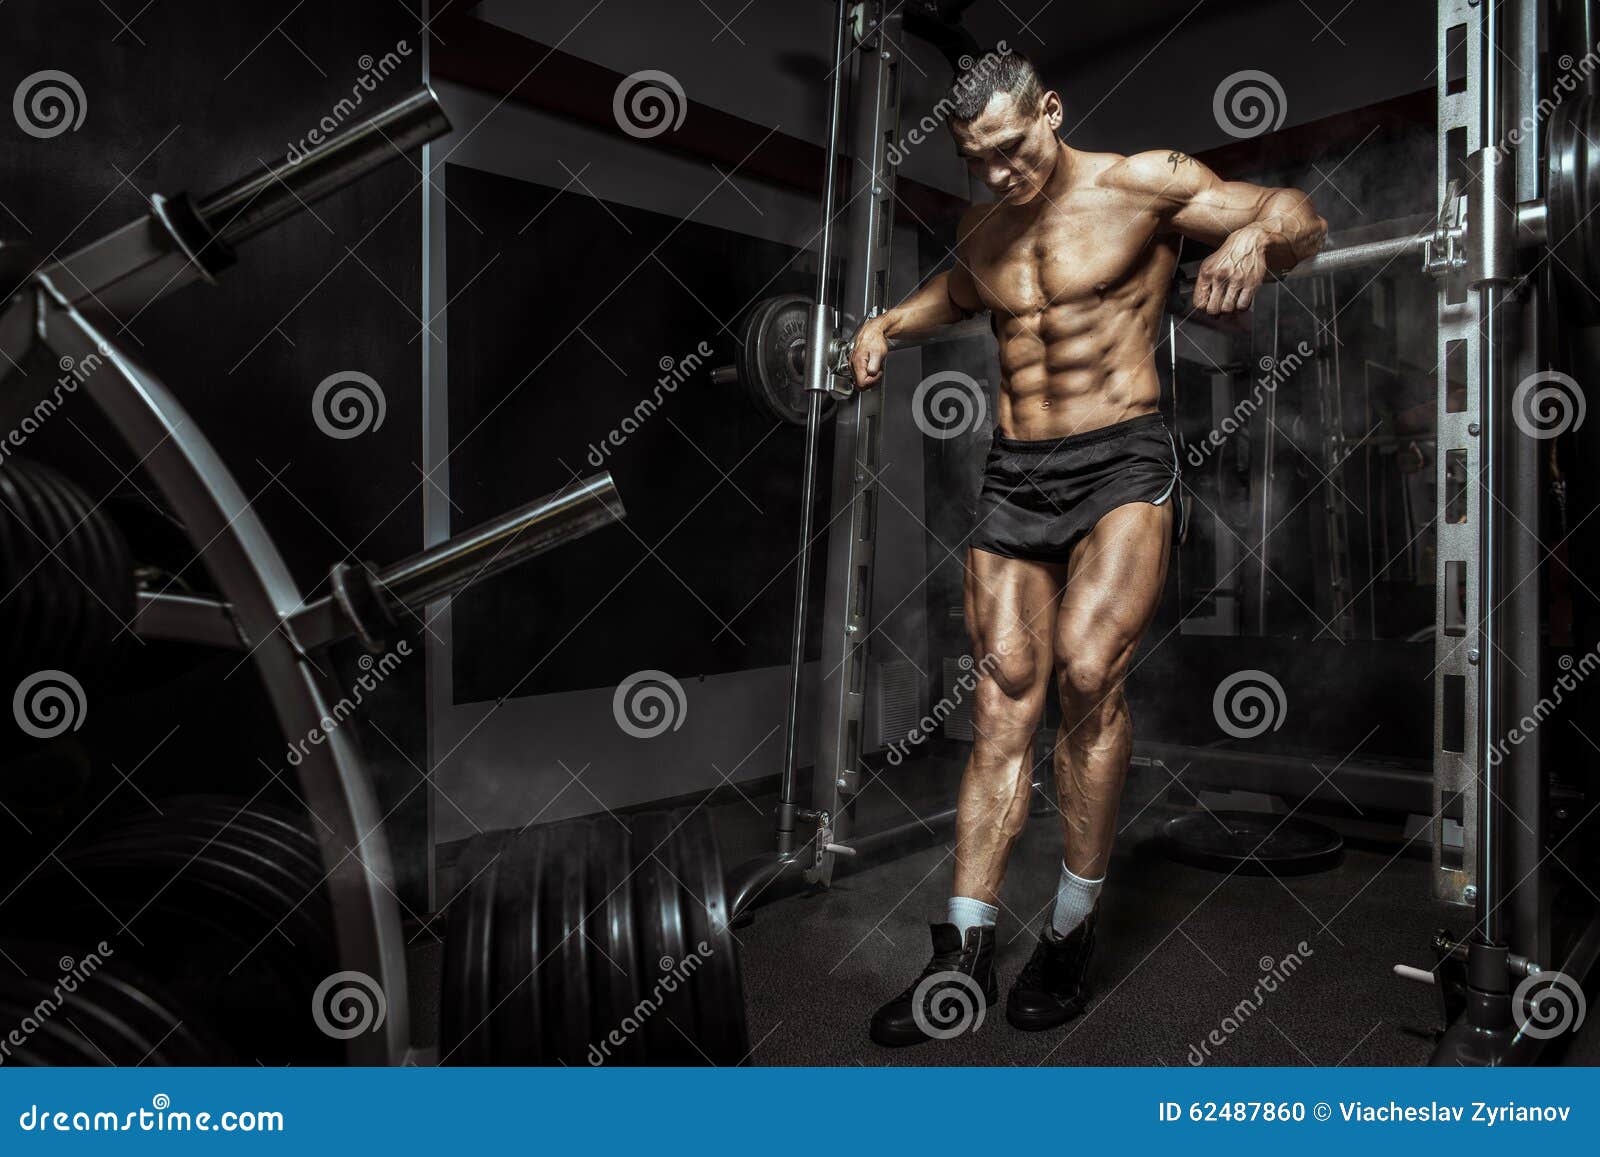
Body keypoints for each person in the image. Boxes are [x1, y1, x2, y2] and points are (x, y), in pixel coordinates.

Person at [857, 50, 1326, 1047]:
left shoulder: (1140, 183)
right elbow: (966, 293)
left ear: (1052, 112)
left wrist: (1247, 239)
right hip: (1014, 472)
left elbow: (1298, 212)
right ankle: (964, 952)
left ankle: (1069, 932)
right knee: (1000, 692)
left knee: (1083, 672)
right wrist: (886, 325)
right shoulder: (985, 221)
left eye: (1011, 149)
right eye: (974, 159)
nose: (996, 175)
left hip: (1121, 461)